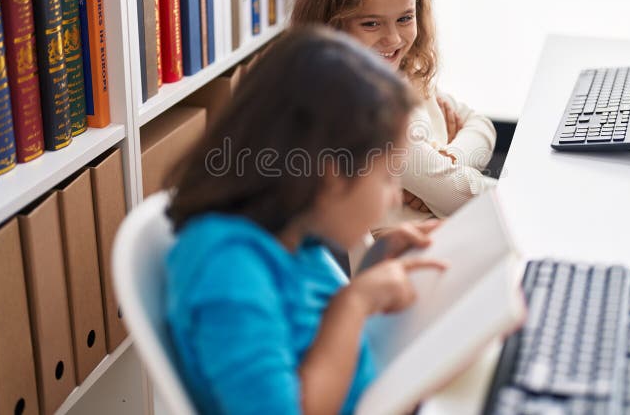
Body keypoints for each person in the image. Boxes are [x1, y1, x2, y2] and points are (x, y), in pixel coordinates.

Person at [164, 28, 446, 415]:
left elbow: (312, 330)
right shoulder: (227, 271)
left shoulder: (293, 233)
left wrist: (378, 262)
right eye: (386, 178)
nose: (396, 196)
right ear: (331, 179)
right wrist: (355, 302)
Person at [291, 0, 497, 229]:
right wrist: (444, 183)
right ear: (333, 27)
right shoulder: (363, 111)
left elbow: (483, 126)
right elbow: (458, 194)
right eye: (372, 24)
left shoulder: (404, 75)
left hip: (447, 228)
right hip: (408, 252)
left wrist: (449, 159)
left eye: (404, 18)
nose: (394, 39)